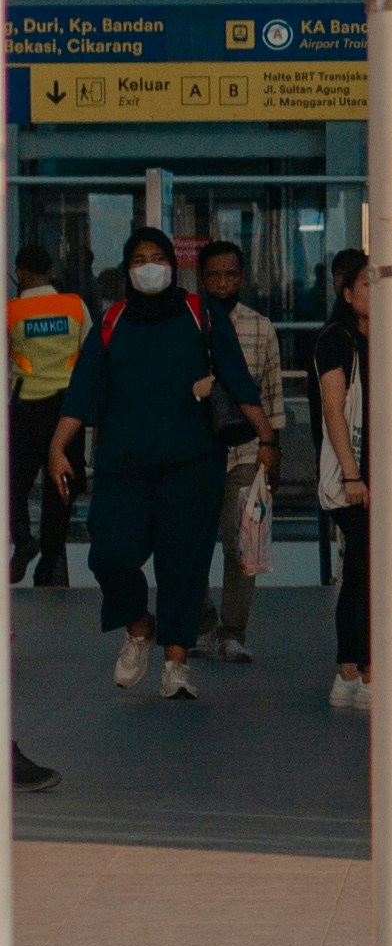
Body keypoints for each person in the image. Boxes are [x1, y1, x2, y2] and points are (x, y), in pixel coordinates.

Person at [48, 226, 256, 702]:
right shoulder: (112, 321)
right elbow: (82, 390)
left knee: (184, 563)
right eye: (139, 259)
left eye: (158, 257)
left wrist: (268, 441)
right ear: (126, 268)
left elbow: (241, 383)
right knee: (109, 553)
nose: (149, 267)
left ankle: (176, 664)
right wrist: (58, 447)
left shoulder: (200, 313)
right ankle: (140, 625)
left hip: (192, 462)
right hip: (124, 464)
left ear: (173, 265)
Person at [192, 241, 284, 666]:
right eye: (214, 275)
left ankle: (232, 632)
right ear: (201, 278)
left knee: (243, 542)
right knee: (192, 542)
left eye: (230, 275)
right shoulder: (188, 323)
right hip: (196, 450)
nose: (222, 283)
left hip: (247, 450)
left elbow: (272, 394)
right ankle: (203, 624)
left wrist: (271, 448)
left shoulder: (261, 328)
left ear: (242, 278)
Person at [316, 252, 372, 708]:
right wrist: (353, 475)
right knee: (364, 570)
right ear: (348, 294)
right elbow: (333, 410)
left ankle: (356, 672)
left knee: (366, 569)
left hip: (388, 473)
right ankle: (358, 672)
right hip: (354, 475)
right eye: (369, 284)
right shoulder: (337, 340)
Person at [10, 248, 82, 585]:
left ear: (20, 273)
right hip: (68, 411)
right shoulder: (74, 306)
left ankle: (24, 540)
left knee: (12, 484)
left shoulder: (12, 312)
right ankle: (50, 562)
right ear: (51, 271)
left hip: (27, 407)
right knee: (60, 488)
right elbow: (90, 353)